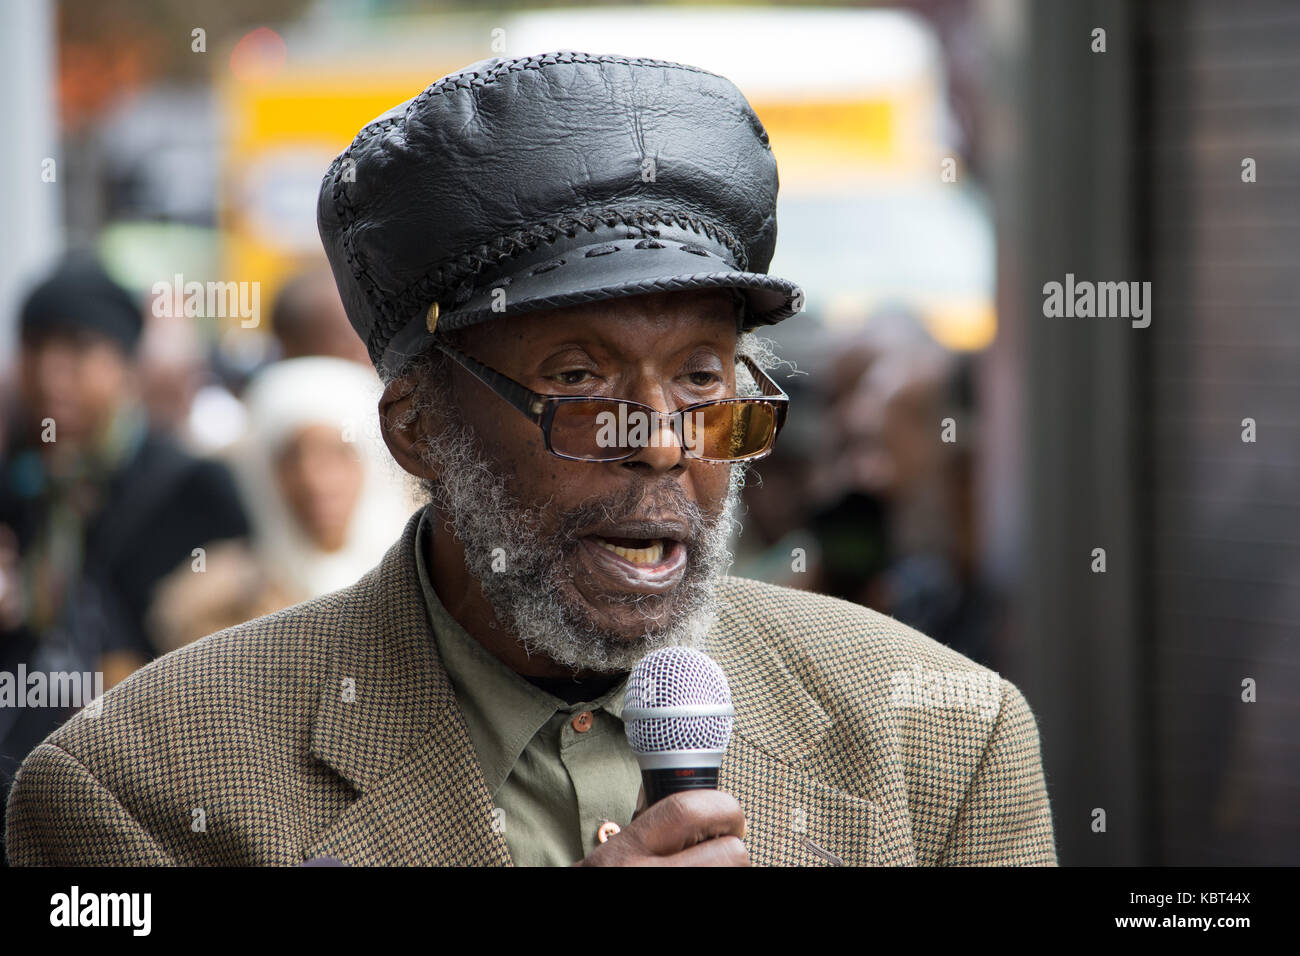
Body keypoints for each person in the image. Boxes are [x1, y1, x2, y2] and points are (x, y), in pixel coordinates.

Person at [4, 53, 1055, 866]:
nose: (660, 445)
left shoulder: (944, 742)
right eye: (578, 379)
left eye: (701, 379)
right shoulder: (138, 782)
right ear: (417, 427)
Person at [0, 253, 250, 861]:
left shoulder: (190, 486)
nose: (51, 373)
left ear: (125, 365)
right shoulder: (21, 486)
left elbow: (228, 663)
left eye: (78, 351)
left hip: (137, 794)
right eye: (34, 349)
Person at [145, 356, 415, 652]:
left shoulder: (419, 585)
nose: (315, 480)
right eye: (291, 458)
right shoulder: (216, 606)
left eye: (339, 454)